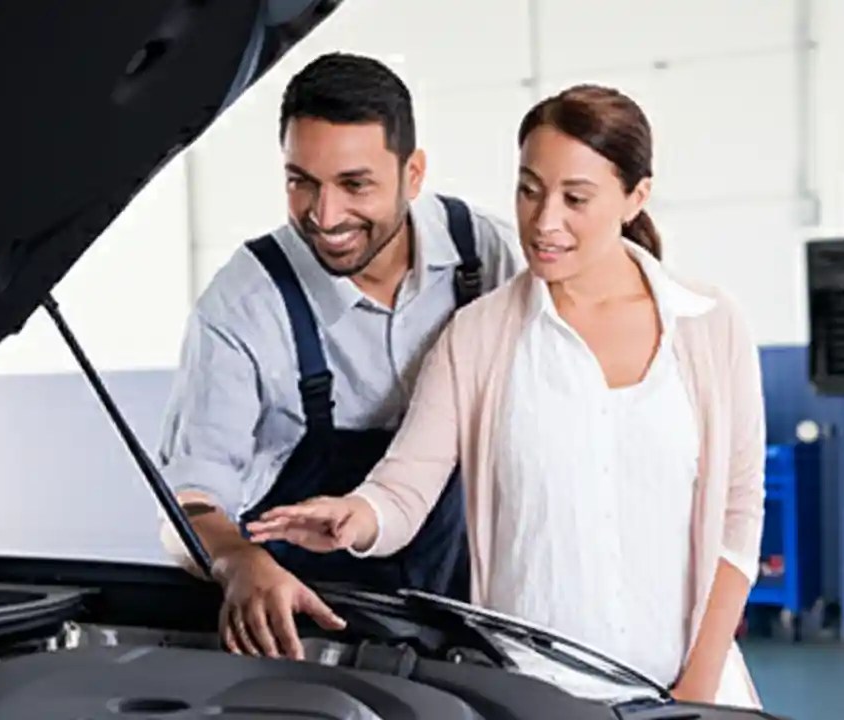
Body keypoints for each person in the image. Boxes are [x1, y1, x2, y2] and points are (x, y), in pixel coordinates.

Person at [245, 84, 767, 708]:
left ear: (636, 197)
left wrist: (697, 689)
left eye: (576, 198)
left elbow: (738, 518)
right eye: (528, 189)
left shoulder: (709, 323)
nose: (544, 222)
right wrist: (355, 520)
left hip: (693, 689)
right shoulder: (481, 335)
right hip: (535, 694)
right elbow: (404, 489)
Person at [155, 52, 523, 661]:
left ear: (413, 174)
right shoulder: (243, 305)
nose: (325, 218)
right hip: (306, 626)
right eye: (301, 181)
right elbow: (188, 506)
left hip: (463, 616)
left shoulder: (480, 255)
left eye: (355, 184)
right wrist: (238, 561)